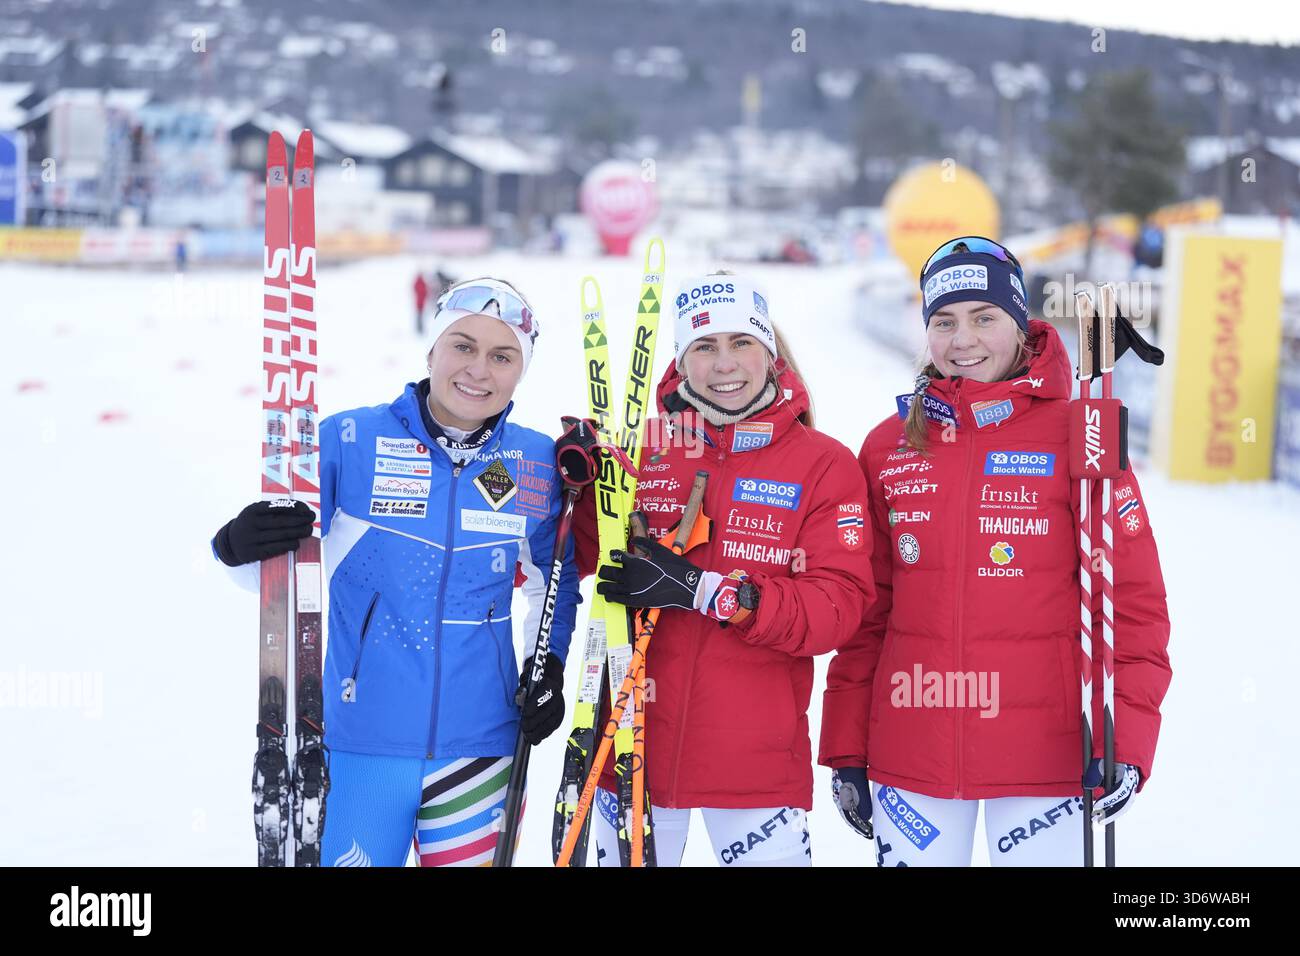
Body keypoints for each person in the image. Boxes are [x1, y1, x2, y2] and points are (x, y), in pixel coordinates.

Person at [819, 237, 1172, 866]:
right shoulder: (888, 447)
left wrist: (1129, 739)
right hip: (914, 751)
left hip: (1050, 759)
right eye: (944, 321)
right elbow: (867, 615)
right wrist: (847, 746)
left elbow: (1133, 608)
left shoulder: (1081, 434)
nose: (964, 339)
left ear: (1019, 322)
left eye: (984, 317)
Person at [213, 277, 579, 867]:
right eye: (462, 346)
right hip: (358, 742)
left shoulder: (536, 463)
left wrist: (550, 664)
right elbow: (280, 579)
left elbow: (554, 584)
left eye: (502, 356)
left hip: (481, 753)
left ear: (521, 371)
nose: (478, 370)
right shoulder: (350, 440)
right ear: (431, 350)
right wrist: (235, 547)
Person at [570, 272, 876, 867]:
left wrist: (705, 591)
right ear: (682, 361)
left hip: (756, 768)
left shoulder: (823, 463)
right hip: (631, 748)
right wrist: (580, 491)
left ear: (771, 353)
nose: (724, 363)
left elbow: (836, 609)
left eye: (741, 343)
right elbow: (585, 557)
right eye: (704, 346)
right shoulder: (645, 447)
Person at [413, 271, 430, 335]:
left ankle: (420, 328)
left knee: (420, 317)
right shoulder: (420, 282)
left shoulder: (419, 281)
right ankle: (419, 329)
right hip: (420, 303)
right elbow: (422, 291)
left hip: (421, 303)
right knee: (419, 317)